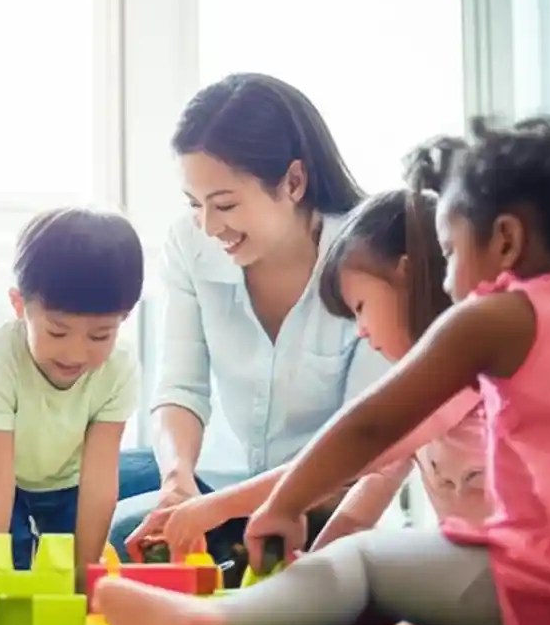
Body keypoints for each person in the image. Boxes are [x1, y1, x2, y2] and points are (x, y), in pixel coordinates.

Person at [96, 103, 550, 625]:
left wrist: (286, 503)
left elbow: (372, 429)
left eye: (449, 254)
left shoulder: (495, 317)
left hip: (542, 591)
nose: (445, 282)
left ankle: (209, 623)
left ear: (505, 241)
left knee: (363, 565)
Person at [113, 73, 390, 579]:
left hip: (319, 500)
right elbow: (181, 387)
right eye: (194, 205)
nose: (208, 227)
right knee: (108, 517)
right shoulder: (192, 244)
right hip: (215, 484)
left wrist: (223, 508)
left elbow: (365, 446)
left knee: (307, 575)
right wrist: (178, 482)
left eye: (224, 205)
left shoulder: (371, 260)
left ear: (293, 182)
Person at [148, 188, 489, 562]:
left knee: (377, 566)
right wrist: (314, 571)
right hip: (469, 571)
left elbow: (351, 455)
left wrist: (217, 507)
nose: (360, 330)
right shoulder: (414, 393)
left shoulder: (459, 377)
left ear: (404, 276)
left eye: (360, 307)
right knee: (343, 571)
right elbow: (359, 512)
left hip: (505, 575)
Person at [0, 207, 144, 570]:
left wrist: (86, 570)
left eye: (100, 335)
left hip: (61, 478)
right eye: (57, 332)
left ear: (124, 318)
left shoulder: (120, 367)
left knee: (70, 561)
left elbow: (99, 477)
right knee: (12, 554)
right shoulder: (0, 359)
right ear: (19, 305)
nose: (75, 352)